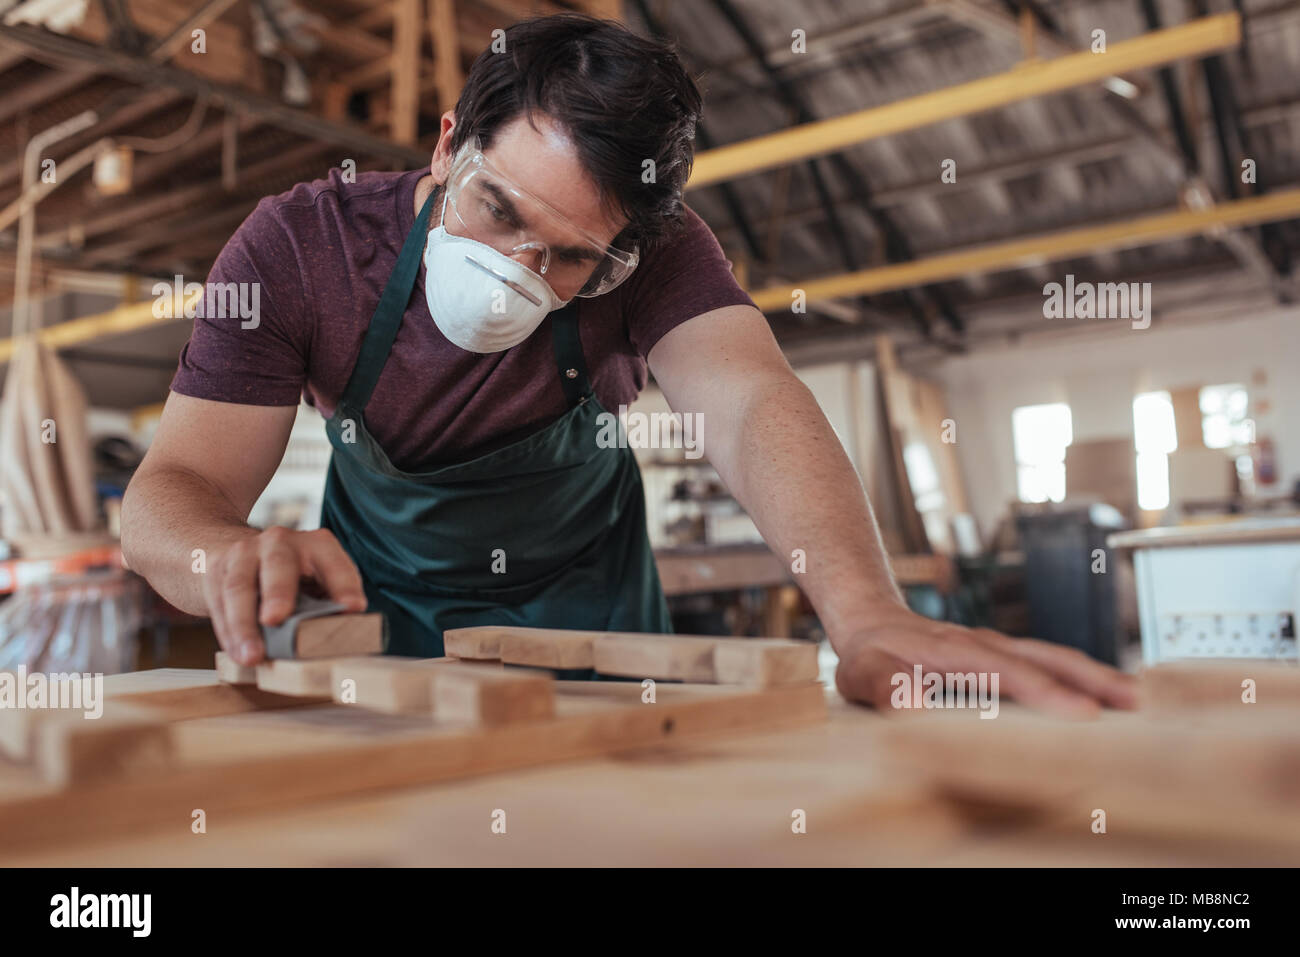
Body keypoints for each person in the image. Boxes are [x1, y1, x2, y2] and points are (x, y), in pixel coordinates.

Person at [121, 14, 1135, 716]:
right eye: (495, 209)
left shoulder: (660, 254)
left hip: (595, 629)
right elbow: (176, 489)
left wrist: (866, 618)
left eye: (568, 258)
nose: (513, 275)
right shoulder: (301, 248)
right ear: (448, 145)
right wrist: (221, 556)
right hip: (372, 624)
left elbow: (749, 402)